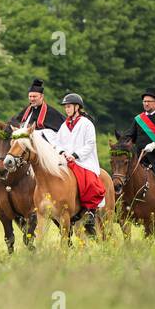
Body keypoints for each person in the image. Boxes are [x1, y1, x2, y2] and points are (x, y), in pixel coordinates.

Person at [54, 92, 106, 231]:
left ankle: (90, 210)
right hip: (65, 160)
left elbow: (90, 144)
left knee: (88, 180)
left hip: (84, 161)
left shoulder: (87, 124)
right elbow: (57, 142)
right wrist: (62, 152)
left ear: (77, 107)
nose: (67, 109)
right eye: (65, 107)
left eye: (69, 106)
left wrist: (75, 155)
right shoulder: (64, 125)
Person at [123, 88, 155, 217]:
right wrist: (122, 140)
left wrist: (154, 144)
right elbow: (130, 135)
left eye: (149, 101)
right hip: (140, 157)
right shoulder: (138, 119)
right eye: (144, 101)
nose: (146, 104)